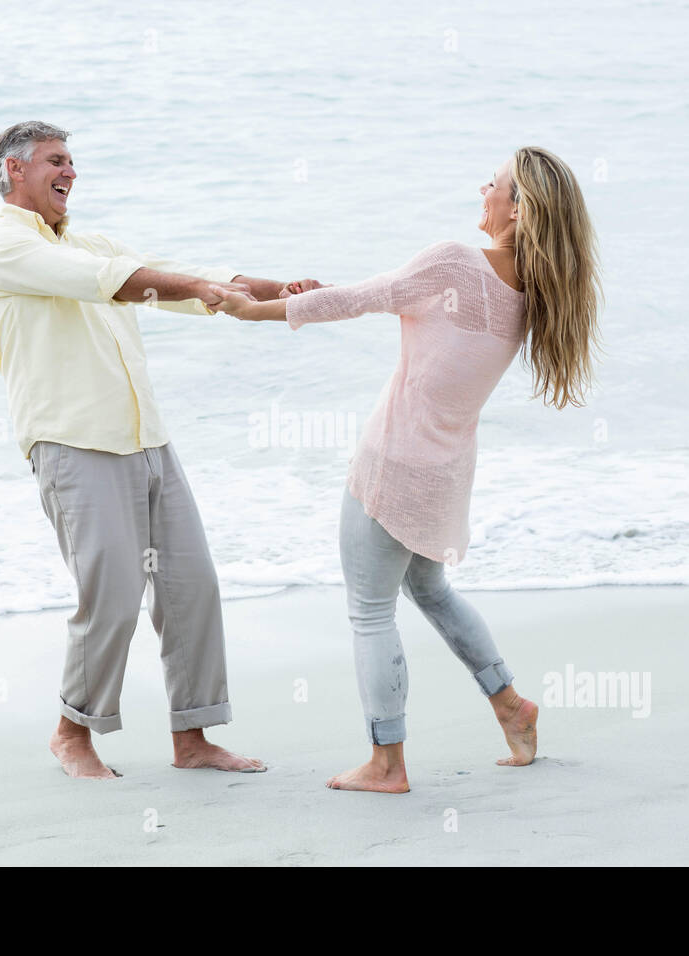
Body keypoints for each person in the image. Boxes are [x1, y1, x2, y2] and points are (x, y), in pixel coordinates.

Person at [214, 147, 602, 793]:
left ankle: (386, 763)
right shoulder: (531, 295)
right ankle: (510, 705)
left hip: (392, 465)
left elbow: (369, 297)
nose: (483, 187)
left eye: (495, 183)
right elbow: (395, 299)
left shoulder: (455, 261)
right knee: (429, 591)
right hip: (445, 473)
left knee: (370, 612)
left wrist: (246, 309)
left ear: (518, 207)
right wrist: (298, 293)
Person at [0, 121, 320, 779]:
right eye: (55, 161)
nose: (69, 172)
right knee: (114, 592)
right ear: (15, 171)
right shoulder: (0, 247)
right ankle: (73, 733)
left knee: (193, 587)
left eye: (72, 161)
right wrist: (201, 290)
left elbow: (168, 277)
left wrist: (270, 288)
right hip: (74, 444)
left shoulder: (90, 241)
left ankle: (194, 739)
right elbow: (111, 279)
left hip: (148, 440)